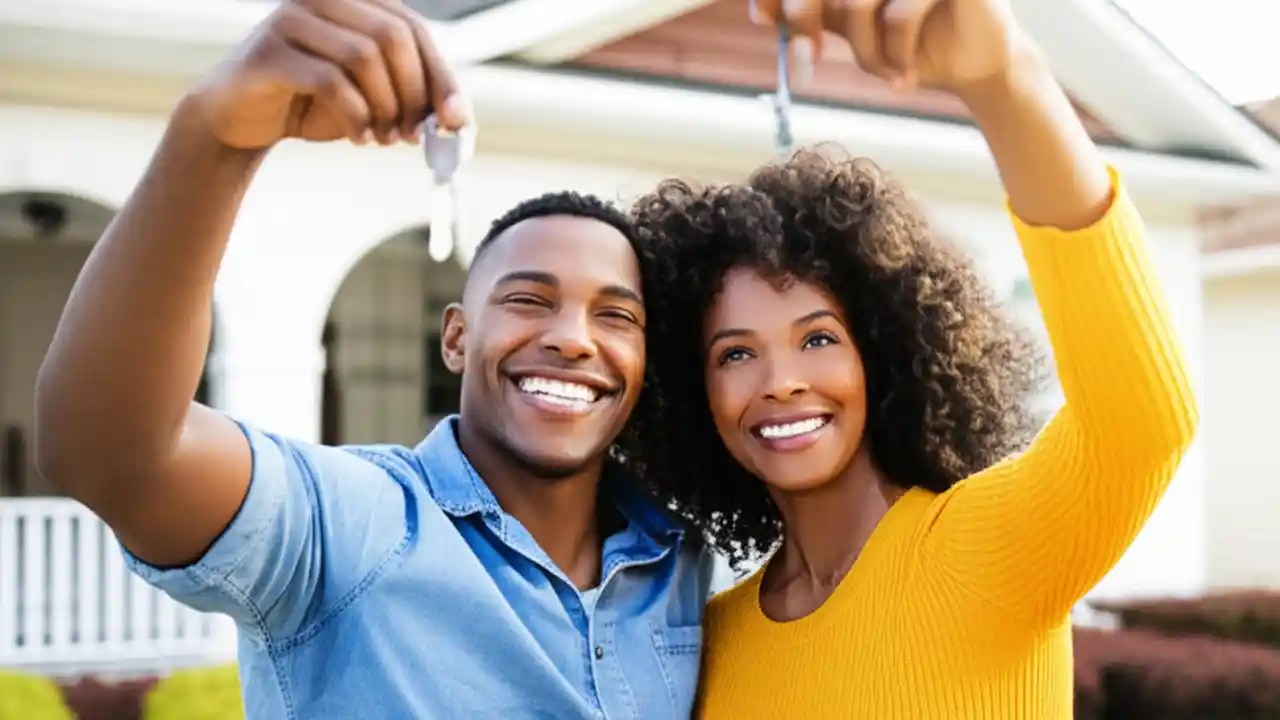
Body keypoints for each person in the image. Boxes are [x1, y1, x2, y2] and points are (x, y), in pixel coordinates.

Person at [33, 1, 710, 717]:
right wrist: (213, 139)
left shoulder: (682, 562)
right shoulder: (354, 525)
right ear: (456, 337)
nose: (574, 337)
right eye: (529, 300)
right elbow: (111, 458)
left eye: (615, 315)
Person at [627, 0, 1199, 717]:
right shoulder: (713, 640)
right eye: (736, 353)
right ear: (693, 391)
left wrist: (1002, 78)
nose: (783, 382)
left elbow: (1142, 424)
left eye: (818, 338)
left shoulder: (985, 553)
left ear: (883, 351)